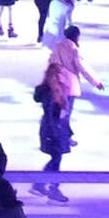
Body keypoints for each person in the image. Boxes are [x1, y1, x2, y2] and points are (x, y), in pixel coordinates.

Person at [33, 61, 73, 203]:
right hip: (51, 132)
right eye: (59, 74)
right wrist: (56, 133)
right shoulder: (51, 94)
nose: (62, 76)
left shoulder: (58, 91)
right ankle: (50, 187)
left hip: (56, 131)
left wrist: (68, 134)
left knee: (56, 159)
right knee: (56, 158)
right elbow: (52, 116)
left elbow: (63, 116)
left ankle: (42, 184)